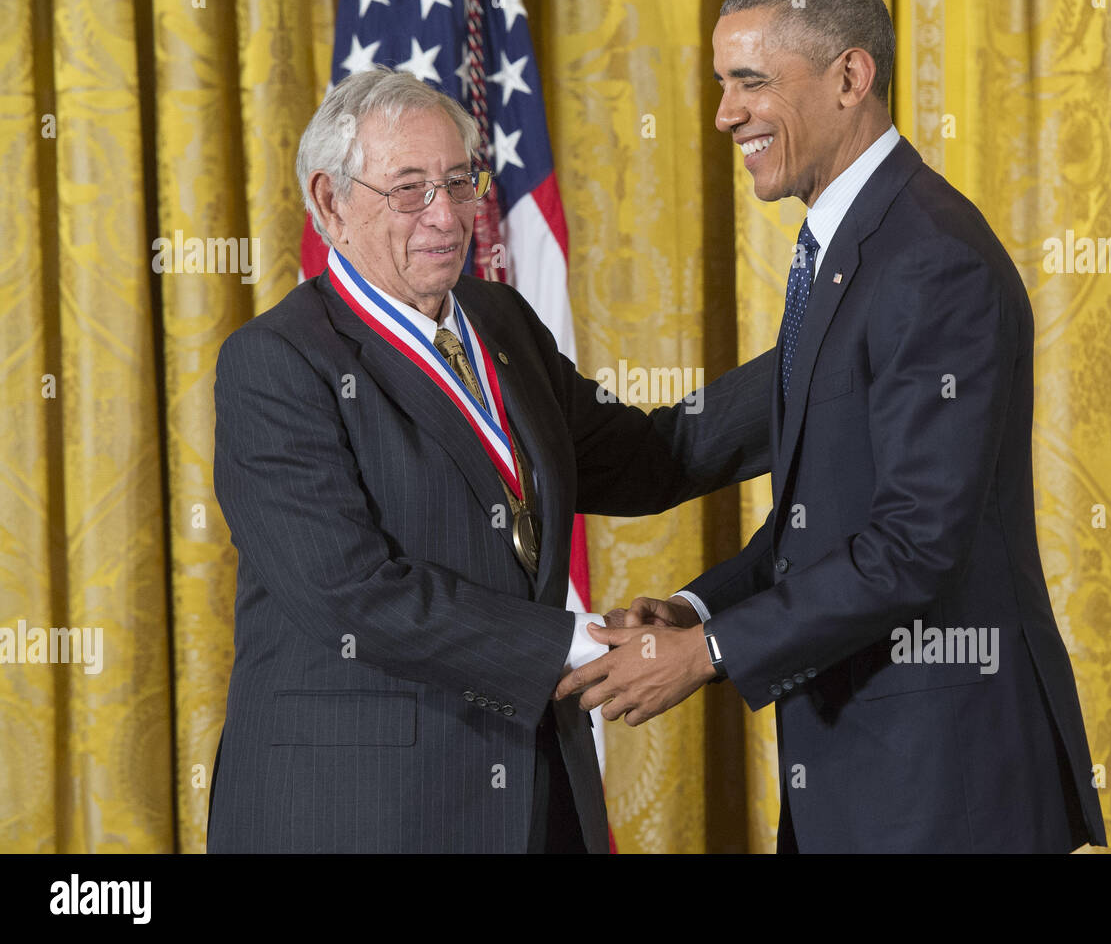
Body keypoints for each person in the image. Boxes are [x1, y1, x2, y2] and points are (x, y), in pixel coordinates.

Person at [557, 0, 1108, 853]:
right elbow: (817, 511)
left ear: (850, 77)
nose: (725, 113)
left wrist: (710, 652)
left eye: (751, 82)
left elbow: (912, 546)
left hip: (947, 786)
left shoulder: (931, 260)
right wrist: (697, 611)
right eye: (720, 83)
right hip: (871, 775)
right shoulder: (850, 246)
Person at [205, 67, 772, 853]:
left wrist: (816, 361)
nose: (445, 216)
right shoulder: (275, 363)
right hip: (363, 813)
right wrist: (584, 647)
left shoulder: (499, 318)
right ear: (330, 204)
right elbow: (353, 594)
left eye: (459, 182)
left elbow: (647, 458)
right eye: (409, 189)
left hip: (536, 796)